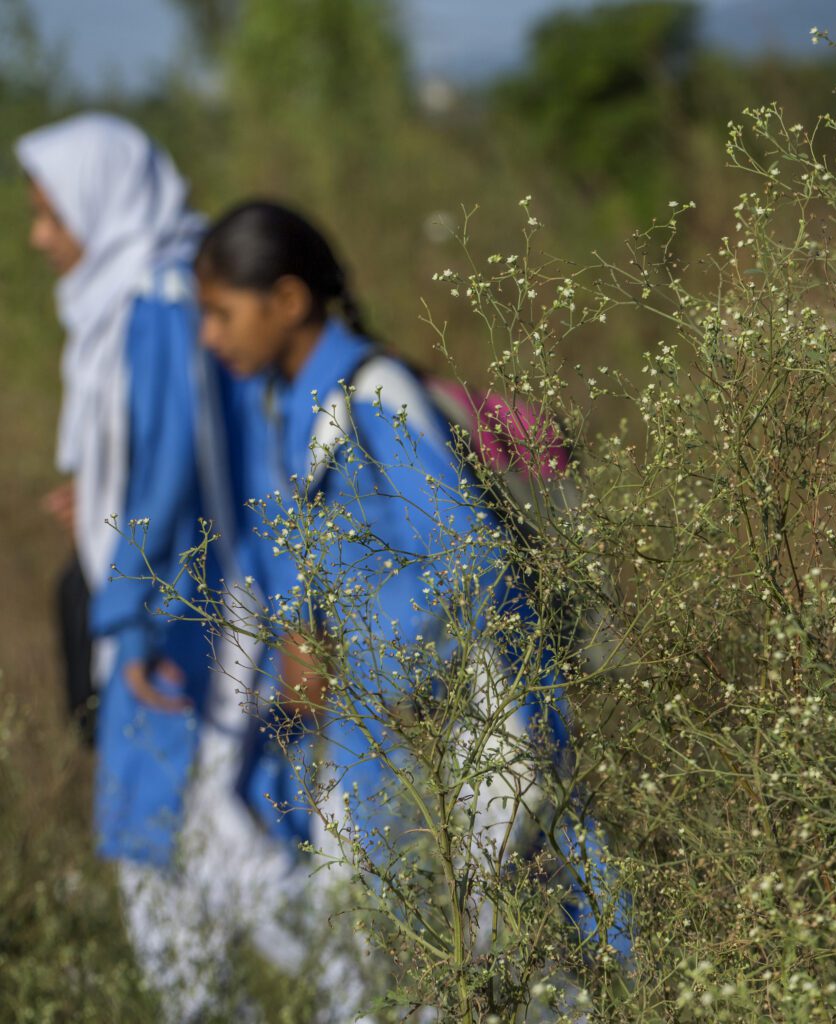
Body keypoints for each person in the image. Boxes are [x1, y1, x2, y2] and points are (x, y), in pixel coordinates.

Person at [194, 200, 631, 1015]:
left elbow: (468, 553)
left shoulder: (373, 392)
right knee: (393, 937)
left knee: (498, 944)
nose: (211, 337)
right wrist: (304, 637)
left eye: (222, 313)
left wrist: (382, 671)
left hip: (452, 720)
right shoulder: (288, 406)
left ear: (287, 300)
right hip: (382, 733)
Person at [15, 114, 315, 1021]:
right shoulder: (149, 291)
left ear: (100, 202)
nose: (38, 237)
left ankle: (393, 991)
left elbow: (177, 464)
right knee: (197, 842)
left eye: (50, 214)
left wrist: (130, 614)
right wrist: (99, 493)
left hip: (186, 619)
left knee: (201, 842)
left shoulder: (155, 298)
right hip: (185, 603)